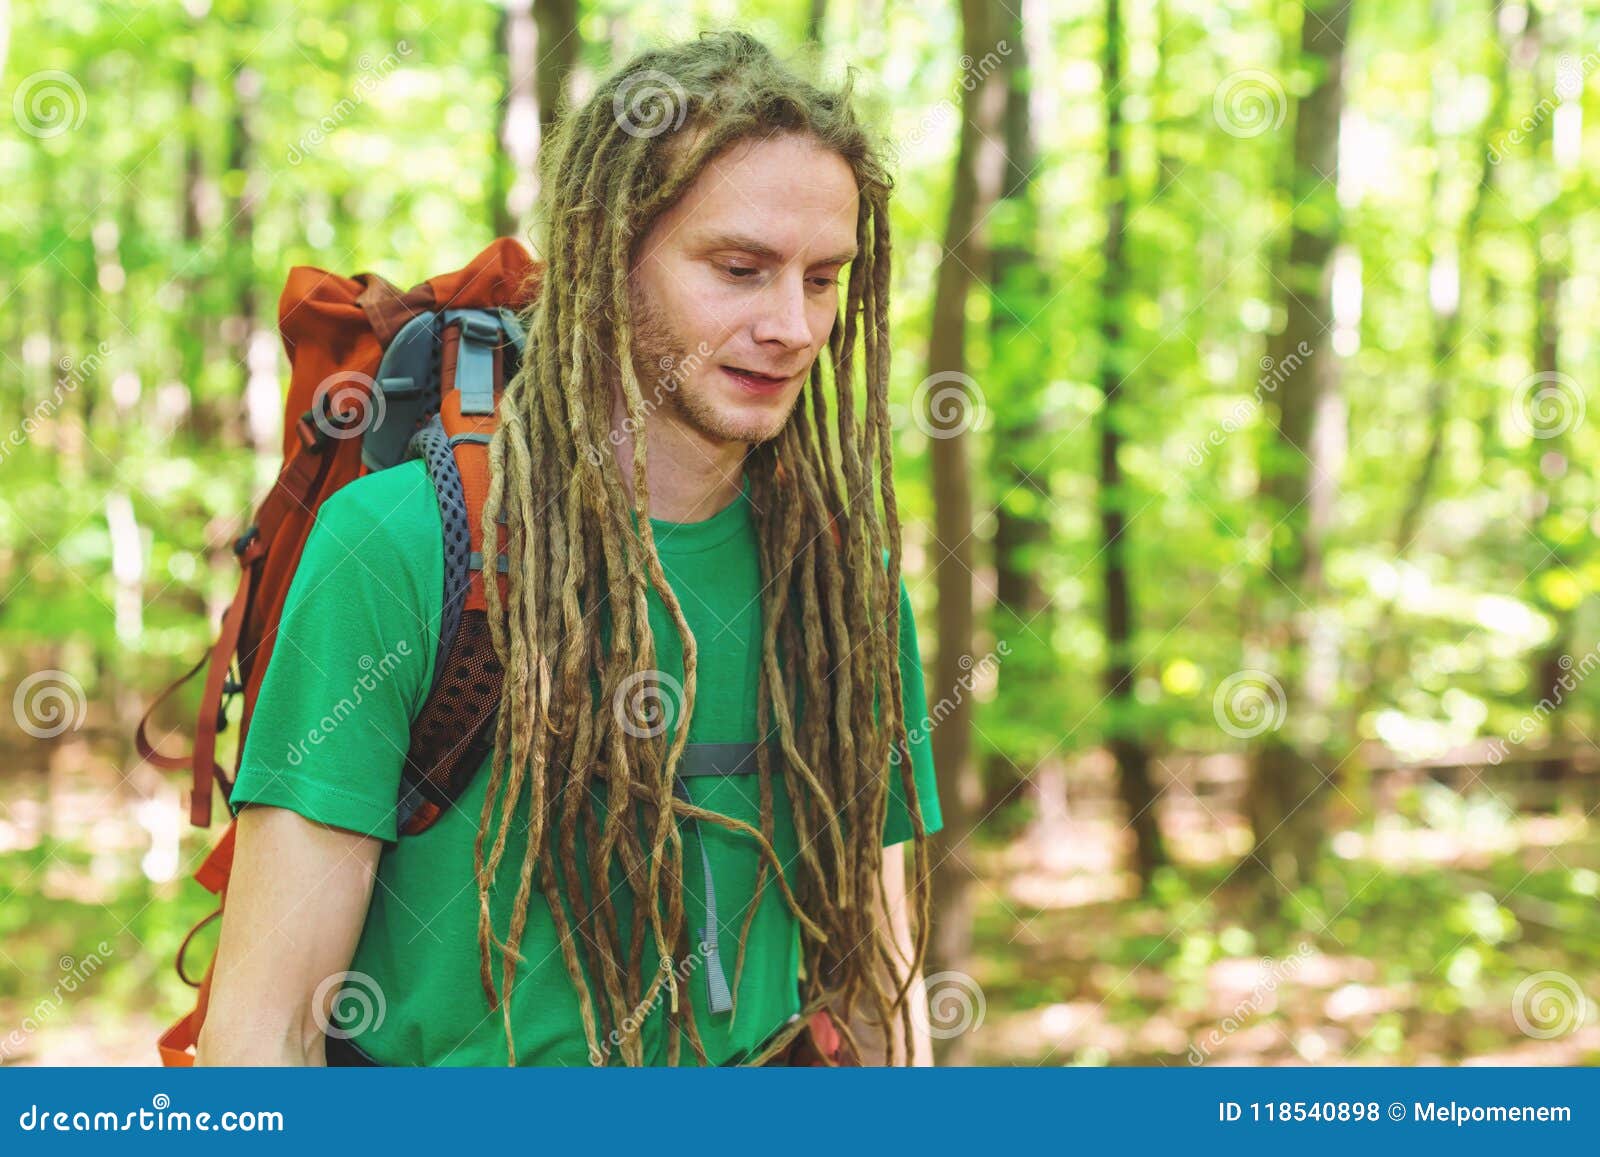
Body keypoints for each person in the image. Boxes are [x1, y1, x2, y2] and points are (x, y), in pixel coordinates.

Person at [196, 29, 943, 1067]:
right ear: (602, 259)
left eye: (824, 279)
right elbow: (260, 1034)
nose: (793, 324)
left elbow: (879, 965)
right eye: (738, 269)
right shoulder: (404, 547)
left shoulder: (837, 577)